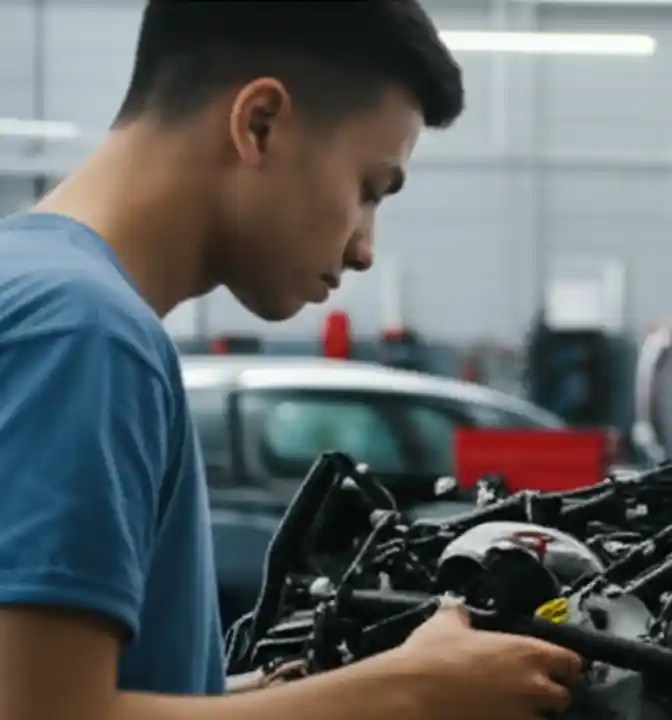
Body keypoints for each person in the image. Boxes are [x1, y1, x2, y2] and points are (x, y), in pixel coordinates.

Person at [0, 2, 581, 720]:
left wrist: (306, 688)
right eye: (368, 189)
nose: (365, 247)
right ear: (260, 124)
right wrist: (412, 692)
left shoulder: (33, 288)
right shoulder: (84, 333)